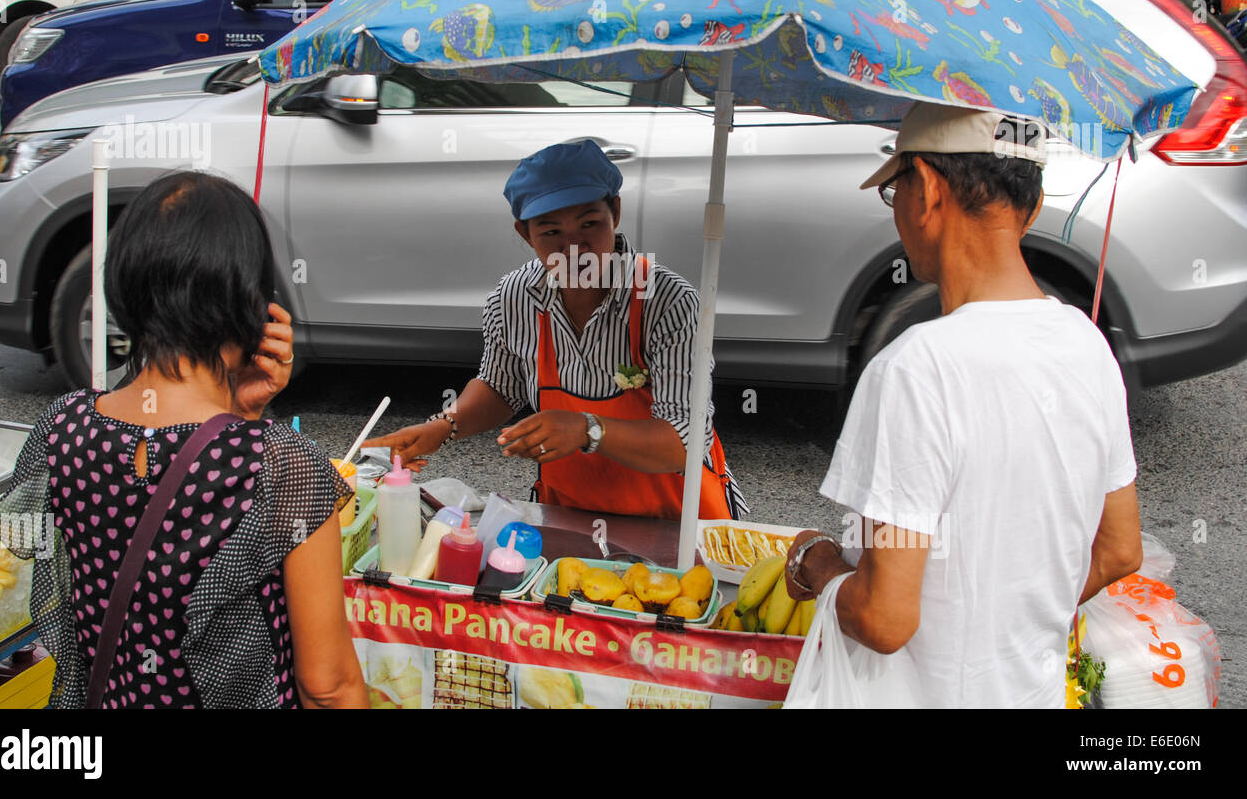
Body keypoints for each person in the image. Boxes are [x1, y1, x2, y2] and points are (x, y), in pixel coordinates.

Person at [782, 104, 1143, 708]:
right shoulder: (1089, 344)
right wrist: (1009, 621)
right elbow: (1118, 550)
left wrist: (813, 566)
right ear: (1030, 201)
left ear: (925, 189)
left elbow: (884, 620)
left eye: (894, 188)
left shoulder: (916, 368)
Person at [0, 171, 368, 709]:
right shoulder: (282, 466)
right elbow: (327, 686)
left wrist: (237, 410)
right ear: (251, 303)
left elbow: (35, 540)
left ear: (121, 287)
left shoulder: (61, 428)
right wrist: (245, 422)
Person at [369, 140, 743, 520]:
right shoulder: (514, 296)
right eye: (551, 233)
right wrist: (444, 425)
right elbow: (501, 385)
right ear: (524, 233)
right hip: (570, 514)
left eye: (589, 224)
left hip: (676, 520)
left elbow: (684, 442)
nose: (574, 247)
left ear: (615, 210)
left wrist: (586, 429)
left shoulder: (667, 301)